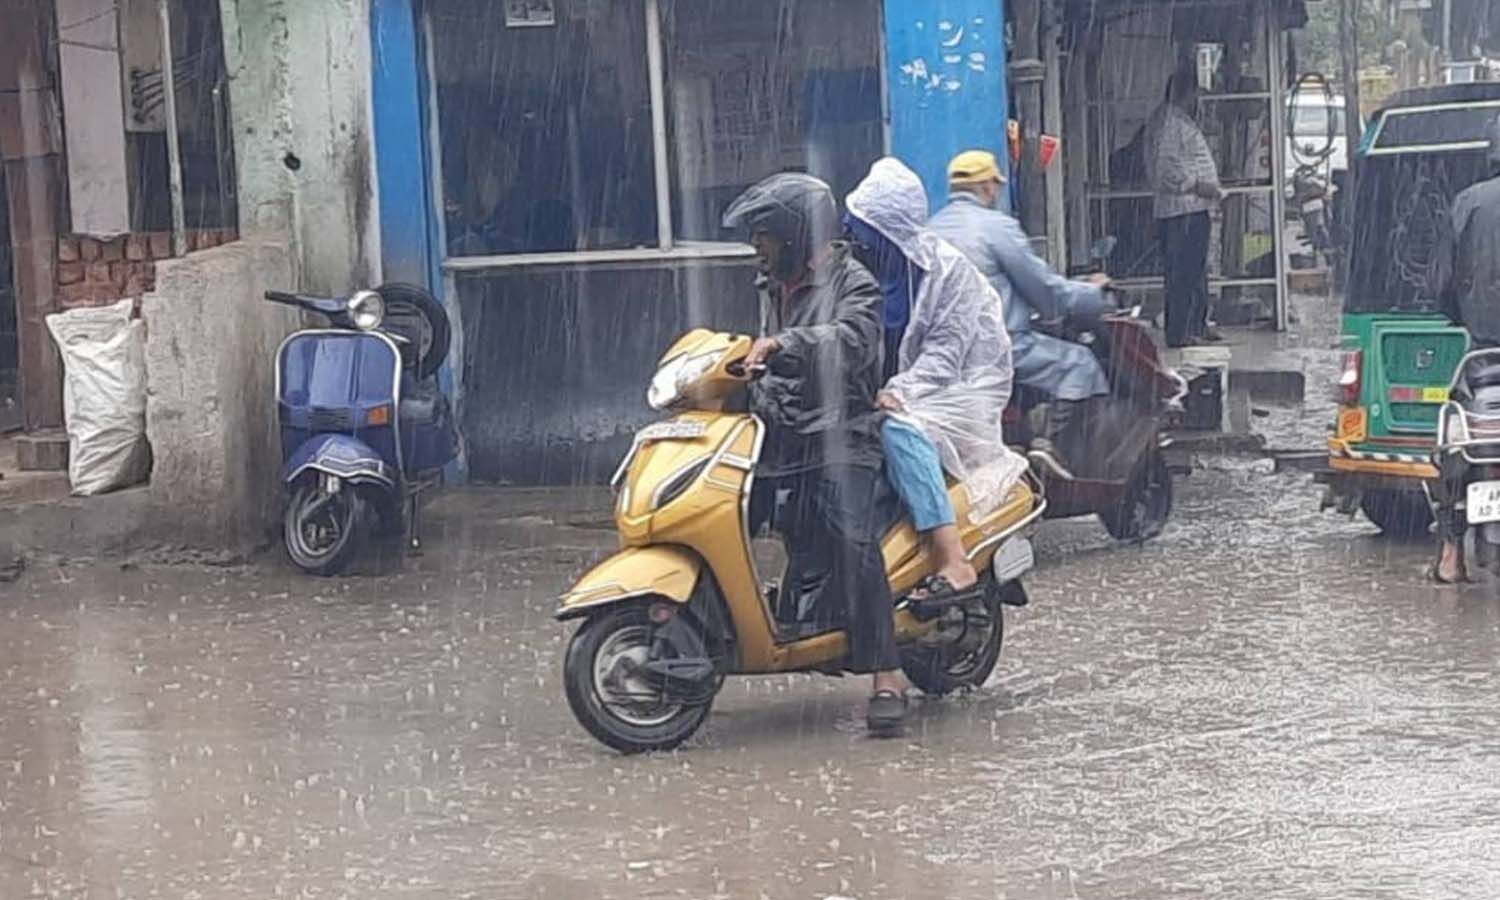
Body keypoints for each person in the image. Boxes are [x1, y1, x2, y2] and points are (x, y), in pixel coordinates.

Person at [720, 172, 909, 734]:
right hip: (783, 431)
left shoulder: (855, 282)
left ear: (797, 233)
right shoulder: (771, 283)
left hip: (840, 430)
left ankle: (888, 674)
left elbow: (852, 341)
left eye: (766, 235)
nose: (758, 246)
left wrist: (785, 344)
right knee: (733, 511)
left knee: (851, 536)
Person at [844, 157, 1028, 601]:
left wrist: (897, 391)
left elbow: (946, 356)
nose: (854, 240)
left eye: (865, 232)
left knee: (899, 429)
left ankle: (952, 558)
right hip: (886, 388)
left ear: (889, 233)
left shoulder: (949, 275)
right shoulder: (857, 273)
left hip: (959, 387)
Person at [928, 150, 1114, 476]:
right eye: (995, 186)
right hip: (998, 348)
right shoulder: (995, 227)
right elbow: (1045, 290)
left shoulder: (930, 230)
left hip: (943, 355)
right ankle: (1049, 448)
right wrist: (1094, 296)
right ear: (987, 187)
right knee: (1080, 366)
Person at [1428, 115, 1500, 583]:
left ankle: (1450, 554)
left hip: (1483, 353)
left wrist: (1462, 314)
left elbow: (1441, 283)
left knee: (1455, 445)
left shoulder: (1467, 203)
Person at [1145, 68, 1225, 348]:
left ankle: (1198, 324)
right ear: (1186, 93)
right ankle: (1180, 332)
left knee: (1195, 270)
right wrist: (1196, 185)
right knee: (1182, 274)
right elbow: (1165, 168)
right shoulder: (1169, 123)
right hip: (1181, 211)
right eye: (1195, 93)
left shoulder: (1177, 120)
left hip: (1192, 209)